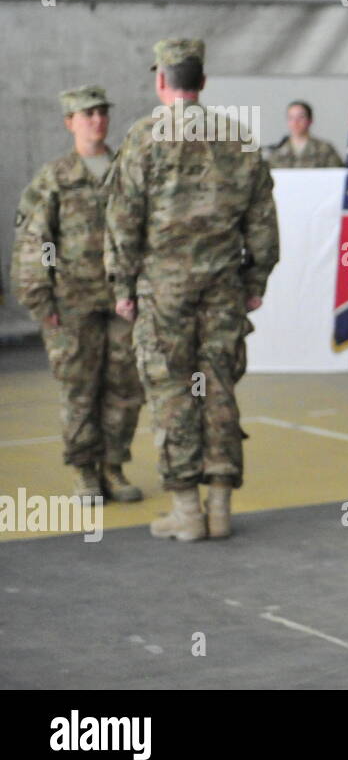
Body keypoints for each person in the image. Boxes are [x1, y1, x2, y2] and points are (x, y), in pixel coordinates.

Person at [105, 39, 280, 543]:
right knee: (218, 387)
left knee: (171, 392)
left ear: (162, 81)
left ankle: (187, 510)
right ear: (202, 82)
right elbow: (263, 222)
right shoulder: (238, 138)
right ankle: (221, 507)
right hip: (223, 288)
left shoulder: (143, 138)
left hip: (163, 292)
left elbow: (122, 221)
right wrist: (255, 280)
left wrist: (122, 285)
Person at [11, 85, 144, 503]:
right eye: (87, 114)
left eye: (102, 112)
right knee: (80, 387)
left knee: (125, 386)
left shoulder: (129, 169)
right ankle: (85, 471)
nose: (97, 120)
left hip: (124, 298)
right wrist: (41, 298)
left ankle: (114, 466)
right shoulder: (56, 177)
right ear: (70, 122)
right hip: (72, 302)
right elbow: (36, 239)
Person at [260, 100, 344, 168]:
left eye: (301, 117)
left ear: (310, 120)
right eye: (291, 118)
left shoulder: (324, 149)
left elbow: (337, 175)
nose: (295, 122)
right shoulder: (278, 151)